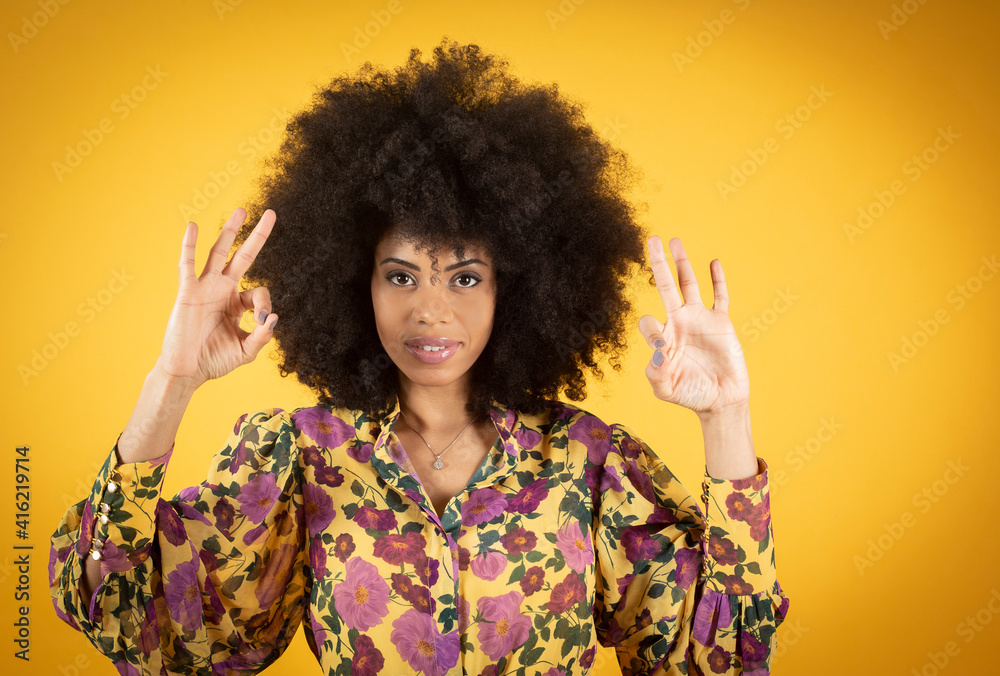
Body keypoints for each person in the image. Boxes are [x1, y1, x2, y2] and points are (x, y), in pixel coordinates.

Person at [49, 37, 790, 675]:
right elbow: (123, 617)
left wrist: (727, 417)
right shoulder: (297, 457)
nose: (430, 310)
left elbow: (720, 657)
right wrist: (171, 382)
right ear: (354, 282)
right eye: (400, 275)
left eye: (465, 277)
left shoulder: (587, 462)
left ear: (517, 289)